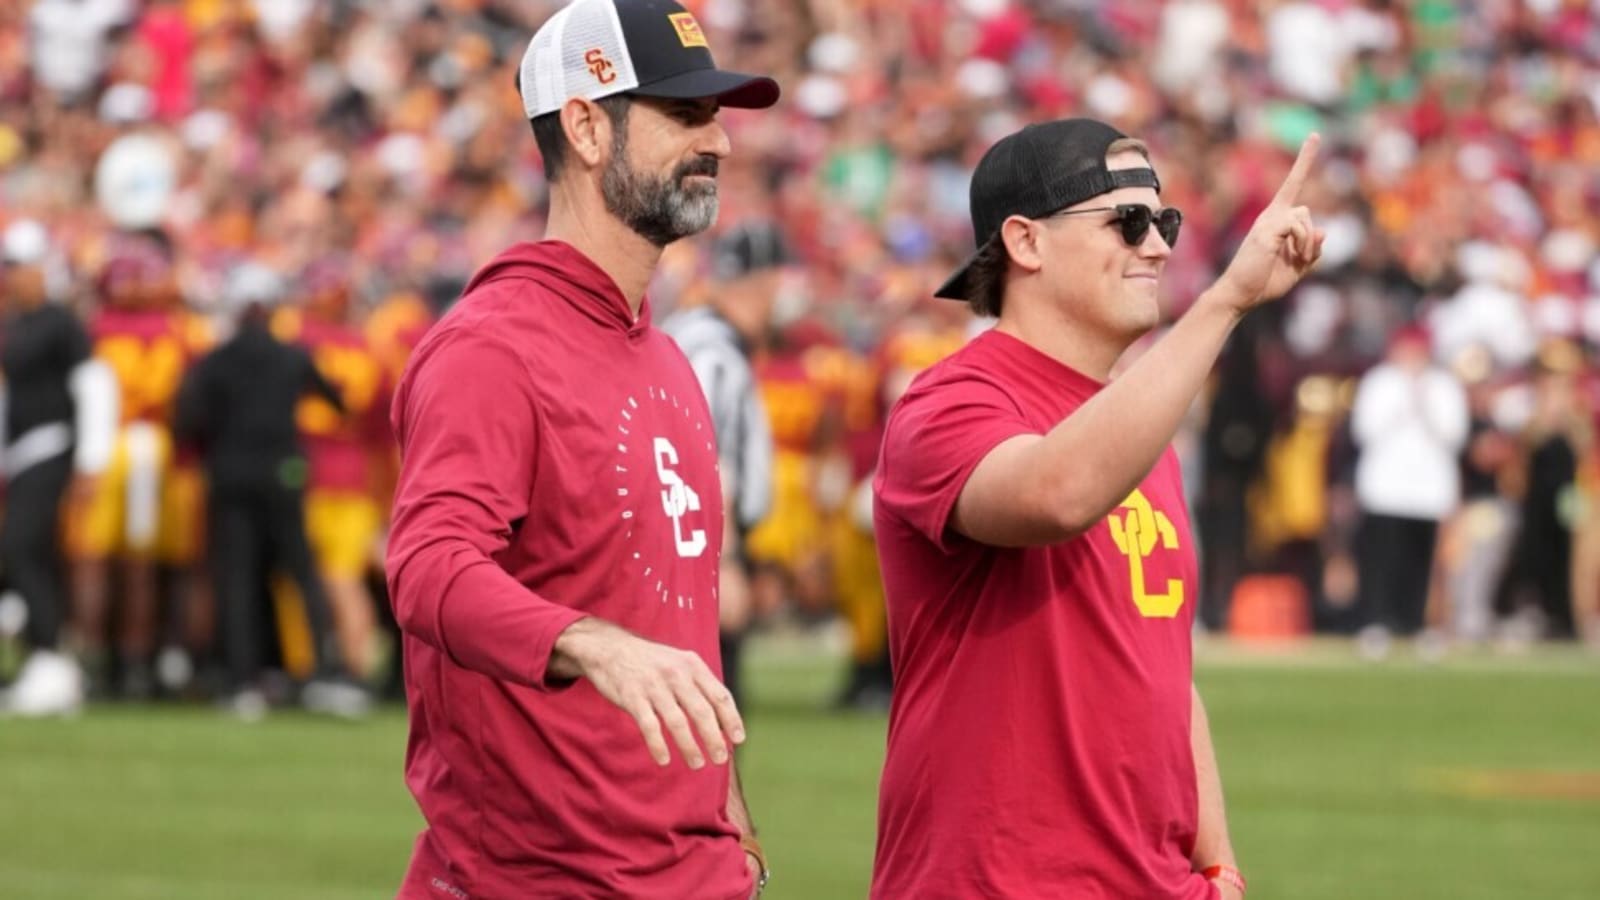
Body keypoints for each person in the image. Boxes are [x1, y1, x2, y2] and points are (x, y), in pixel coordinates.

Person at [870, 118, 1324, 899]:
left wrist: (1218, 867)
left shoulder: (1140, 428)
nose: (1157, 246)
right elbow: (1056, 493)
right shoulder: (949, 401)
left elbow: (1166, 674)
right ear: (1026, 242)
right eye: (1128, 220)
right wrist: (1223, 305)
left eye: (1165, 222)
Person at [384, 2, 778, 897]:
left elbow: (674, 625)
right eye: (684, 115)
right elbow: (428, 566)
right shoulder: (491, 346)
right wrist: (594, 645)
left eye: (715, 114)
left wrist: (733, 821)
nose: (718, 140)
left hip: (697, 875)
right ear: (588, 126)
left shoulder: (667, 354)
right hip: (540, 879)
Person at [173, 263, 361, 719]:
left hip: (231, 475)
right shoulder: (292, 355)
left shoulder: (213, 361)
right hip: (283, 474)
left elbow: (185, 423)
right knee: (301, 576)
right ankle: (320, 673)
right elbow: (337, 401)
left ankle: (243, 682)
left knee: (237, 580)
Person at [660, 221, 782, 708]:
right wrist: (725, 562)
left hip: (681, 539)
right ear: (762, 284)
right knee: (712, 718)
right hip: (699, 546)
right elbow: (704, 462)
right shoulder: (713, 352)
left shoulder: (690, 333)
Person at [0, 219, 116, 716]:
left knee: (23, 550)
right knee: (27, 555)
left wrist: (91, 460)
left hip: (51, 447)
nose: (11, 276)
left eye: (17, 266)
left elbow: (95, 387)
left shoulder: (59, 322)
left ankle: (50, 660)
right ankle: (43, 659)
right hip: (22, 454)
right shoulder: (18, 324)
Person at [1349, 324, 1468, 657]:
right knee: (1383, 559)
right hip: (1385, 488)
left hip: (1428, 491)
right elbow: (1365, 430)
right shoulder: (1379, 382)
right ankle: (1376, 622)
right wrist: (1402, 401)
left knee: (1423, 562)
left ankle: (1419, 623)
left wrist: (1424, 401)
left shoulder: (1443, 386)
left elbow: (1454, 434)